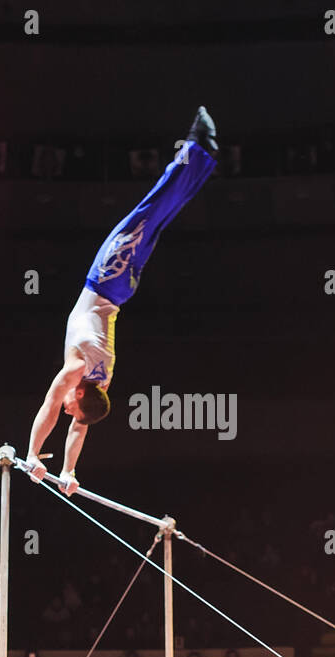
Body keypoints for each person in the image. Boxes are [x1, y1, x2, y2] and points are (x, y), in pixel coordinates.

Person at [25, 107, 219, 494]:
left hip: (123, 289)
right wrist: (32, 454)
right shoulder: (77, 370)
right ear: (79, 392)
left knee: (162, 217)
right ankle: (197, 147)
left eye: (72, 412)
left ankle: (203, 157)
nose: (68, 412)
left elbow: (80, 427)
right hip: (108, 277)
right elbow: (50, 406)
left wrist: (68, 472)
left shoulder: (102, 382)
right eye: (73, 407)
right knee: (152, 208)